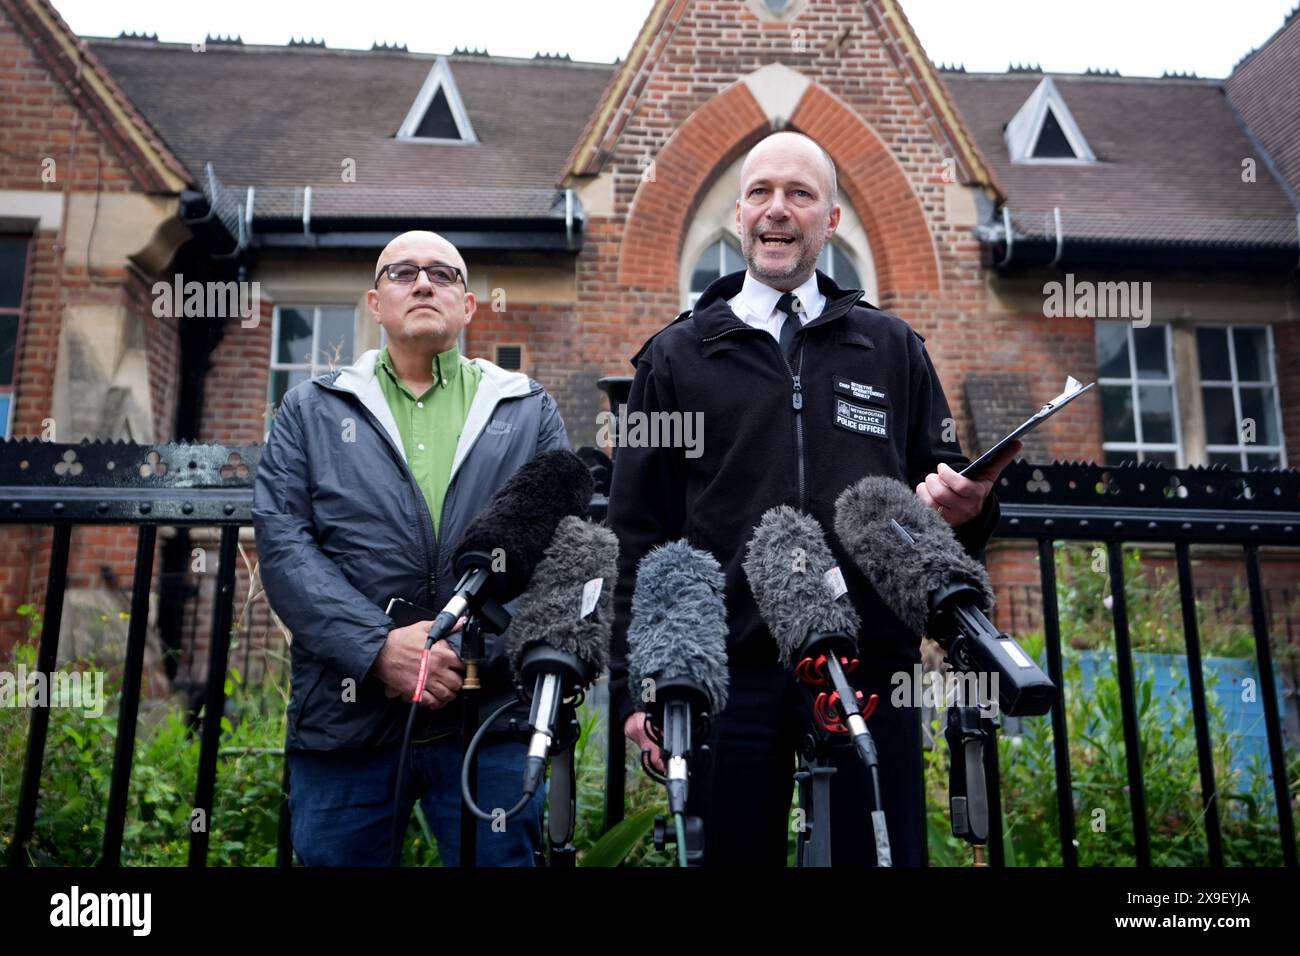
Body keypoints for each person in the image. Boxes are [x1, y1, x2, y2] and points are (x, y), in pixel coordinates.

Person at [608, 132, 1021, 866]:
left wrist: (972, 508)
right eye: (761, 192)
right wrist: (637, 686)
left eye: (800, 194)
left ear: (830, 220)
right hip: (726, 671)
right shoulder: (674, 357)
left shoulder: (892, 348)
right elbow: (636, 530)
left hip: (869, 665)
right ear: (739, 214)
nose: (778, 209)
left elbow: (945, 500)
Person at [253, 230, 569, 866]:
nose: (423, 283)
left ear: (468, 306)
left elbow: (560, 557)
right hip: (348, 719)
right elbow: (284, 547)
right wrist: (378, 648)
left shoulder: (527, 409)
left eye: (443, 274)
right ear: (375, 303)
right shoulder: (309, 410)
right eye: (402, 272)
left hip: (487, 716)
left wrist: (464, 651)